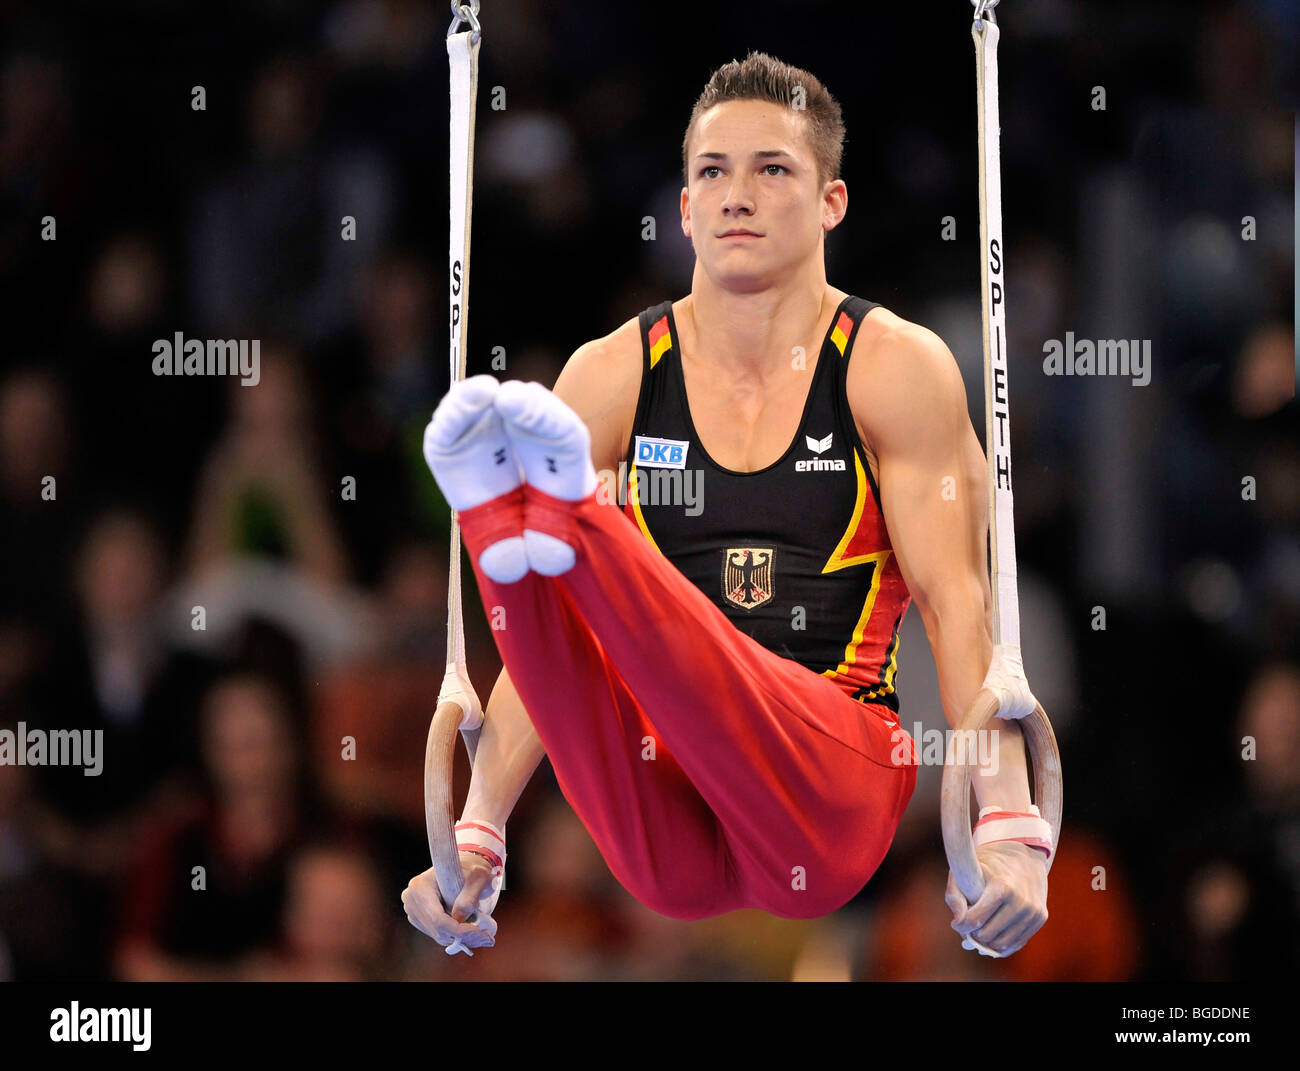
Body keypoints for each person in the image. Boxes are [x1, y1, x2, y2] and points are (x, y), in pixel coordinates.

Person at [402, 52, 1051, 959]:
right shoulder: (614, 373)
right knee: (564, 601)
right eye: (712, 172)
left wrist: (1009, 825)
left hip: (830, 792)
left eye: (771, 169)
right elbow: (550, 669)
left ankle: (565, 513)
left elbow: (959, 610)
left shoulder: (892, 366)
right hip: (664, 807)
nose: (735, 195)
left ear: (832, 201)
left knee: (632, 592)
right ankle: (511, 513)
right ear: (683, 207)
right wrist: (475, 830)